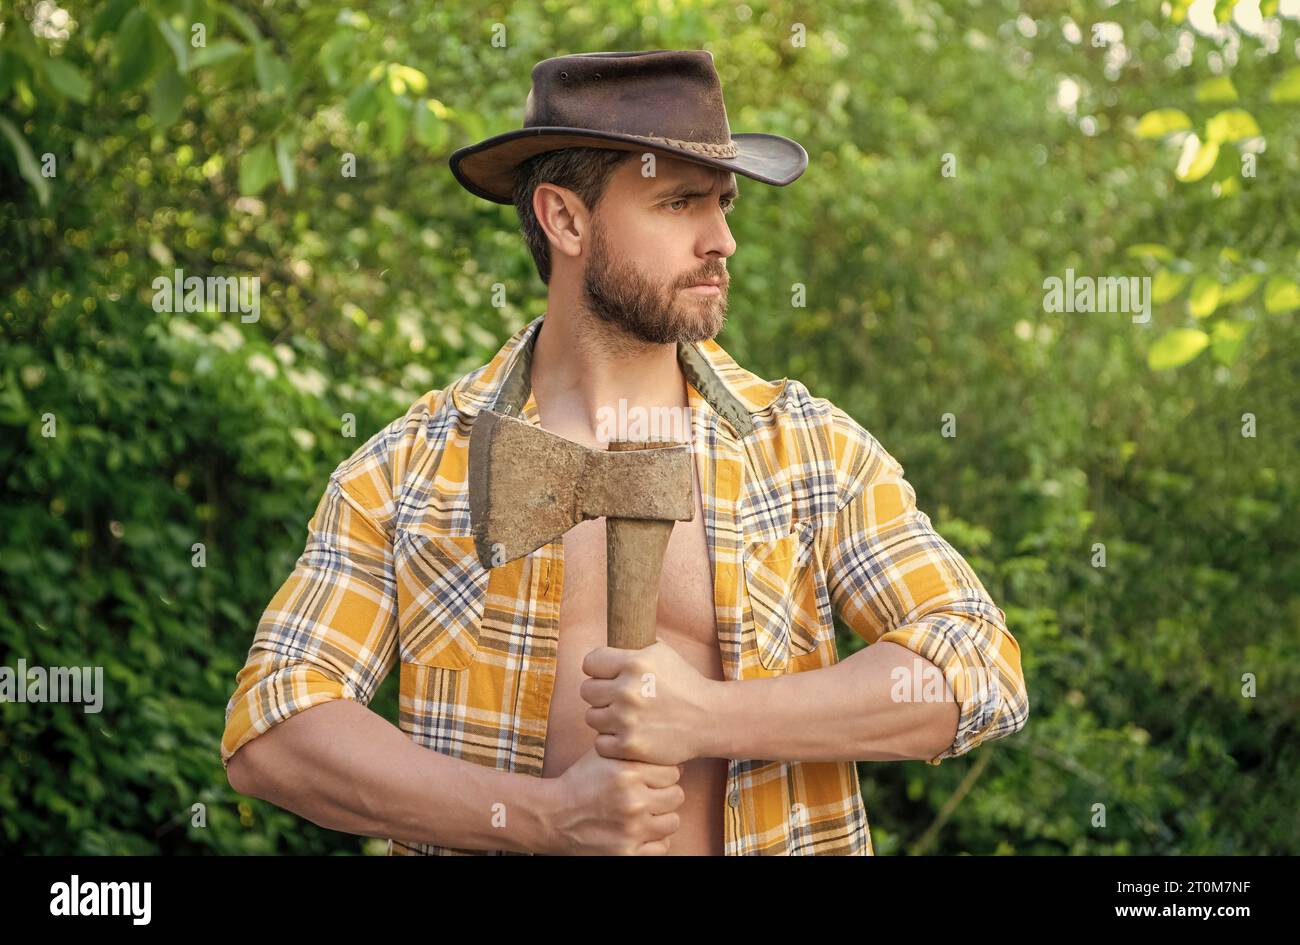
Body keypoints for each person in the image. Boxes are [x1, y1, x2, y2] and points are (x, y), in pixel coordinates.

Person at [221, 49, 1028, 856]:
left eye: (723, 203)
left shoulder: (807, 450)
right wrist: (542, 818)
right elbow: (276, 724)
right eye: (678, 203)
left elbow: (978, 665)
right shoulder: (410, 470)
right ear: (565, 219)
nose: (722, 241)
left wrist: (709, 714)